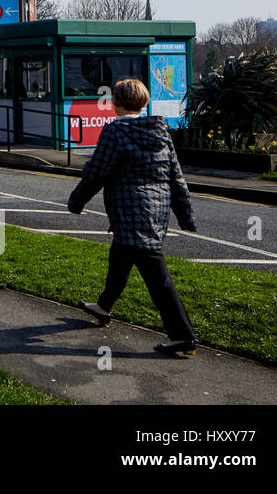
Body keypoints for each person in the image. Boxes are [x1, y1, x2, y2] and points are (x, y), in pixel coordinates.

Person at [67, 78, 198, 356]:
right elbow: (177, 178)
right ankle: (103, 306)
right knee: (120, 258)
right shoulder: (161, 131)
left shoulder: (115, 132)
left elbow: (96, 172)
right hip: (156, 212)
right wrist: (185, 216)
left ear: (115, 102)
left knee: (156, 276)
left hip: (130, 211)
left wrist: (76, 201)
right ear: (144, 102)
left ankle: (182, 336)